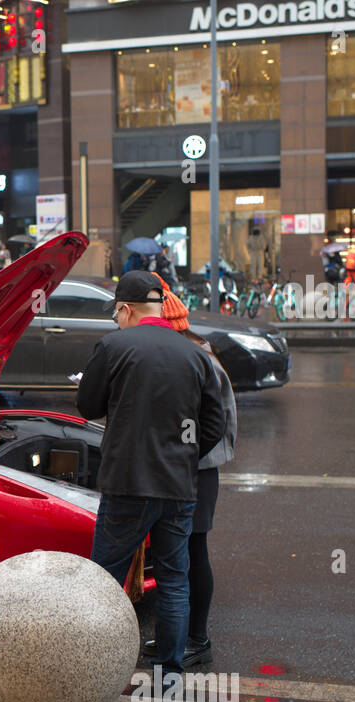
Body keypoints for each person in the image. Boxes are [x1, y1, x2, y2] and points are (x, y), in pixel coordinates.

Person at [75, 271, 225, 675]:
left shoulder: (114, 346)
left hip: (127, 482)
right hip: (178, 484)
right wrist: (185, 456)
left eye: (115, 314)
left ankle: (98, 664)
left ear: (125, 309)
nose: (115, 321)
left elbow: (87, 407)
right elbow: (215, 423)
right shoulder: (195, 353)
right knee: (176, 578)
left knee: (106, 577)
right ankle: (169, 669)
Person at [140, 289, 237, 670]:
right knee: (177, 553)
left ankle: (197, 639)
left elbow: (209, 424)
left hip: (196, 470)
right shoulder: (189, 350)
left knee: (193, 553)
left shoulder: (195, 358)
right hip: (189, 466)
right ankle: (175, 638)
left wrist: (181, 456)